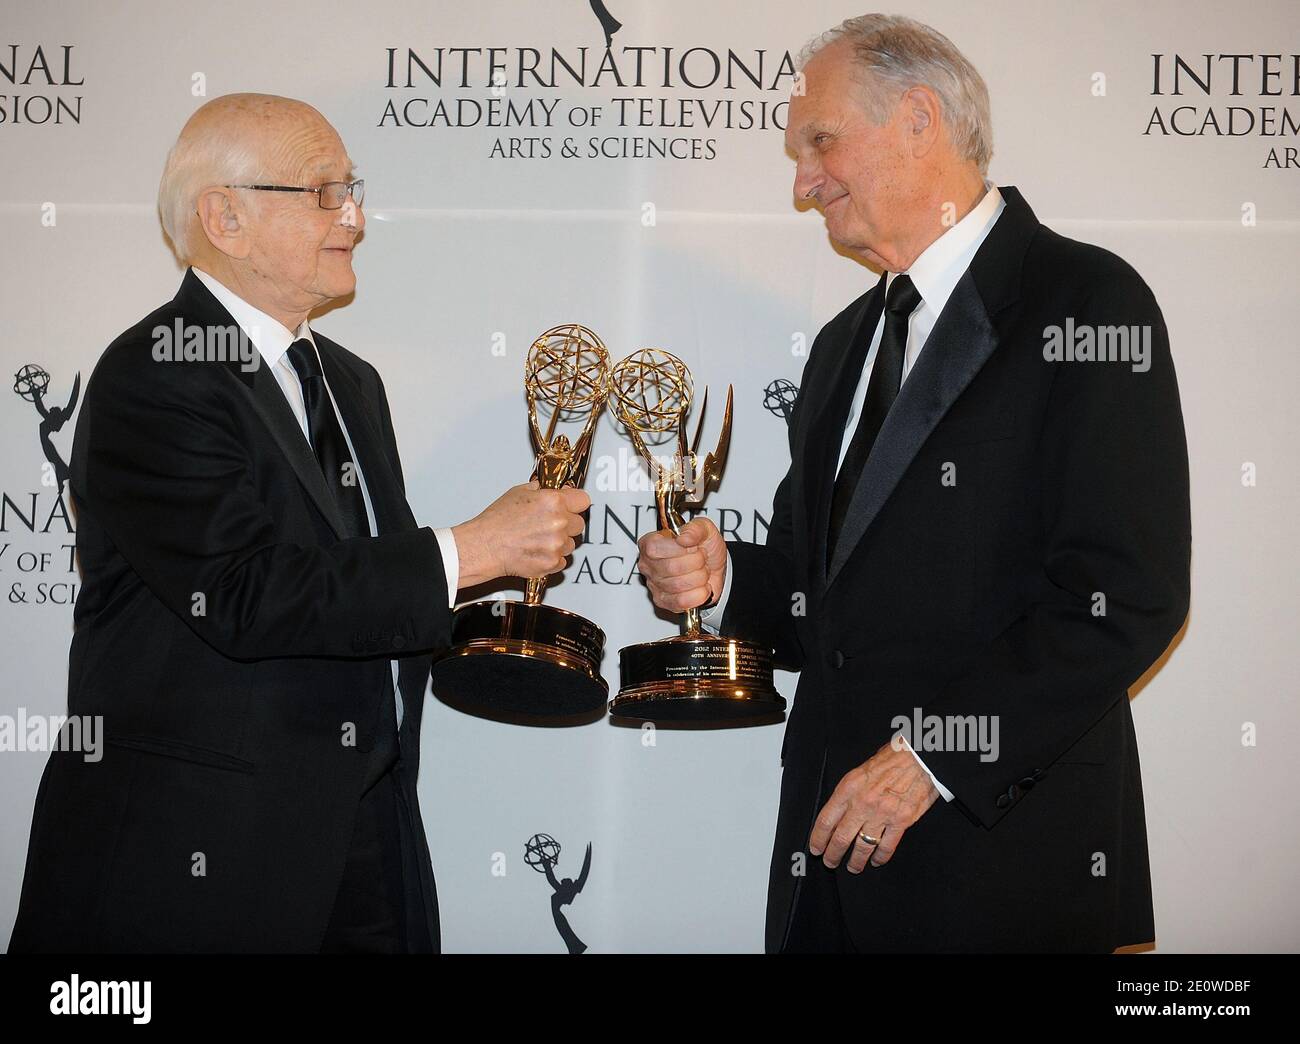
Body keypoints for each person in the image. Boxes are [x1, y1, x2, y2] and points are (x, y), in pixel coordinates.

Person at [636, 15, 1191, 952]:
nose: (803, 183)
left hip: (1000, 876)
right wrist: (725, 580)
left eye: (819, 141)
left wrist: (933, 757)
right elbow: (822, 607)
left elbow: (1123, 595)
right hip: (829, 878)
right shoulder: (842, 345)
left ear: (919, 118)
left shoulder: (1089, 302)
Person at [7, 93, 589, 953]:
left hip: (363, 841)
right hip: (196, 859)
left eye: (351, 189)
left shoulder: (350, 381)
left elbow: (362, 593)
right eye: (323, 192)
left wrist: (507, 622)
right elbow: (241, 594)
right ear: (225, 218)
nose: (355, 217)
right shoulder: (154, 373)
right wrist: (472, 549)